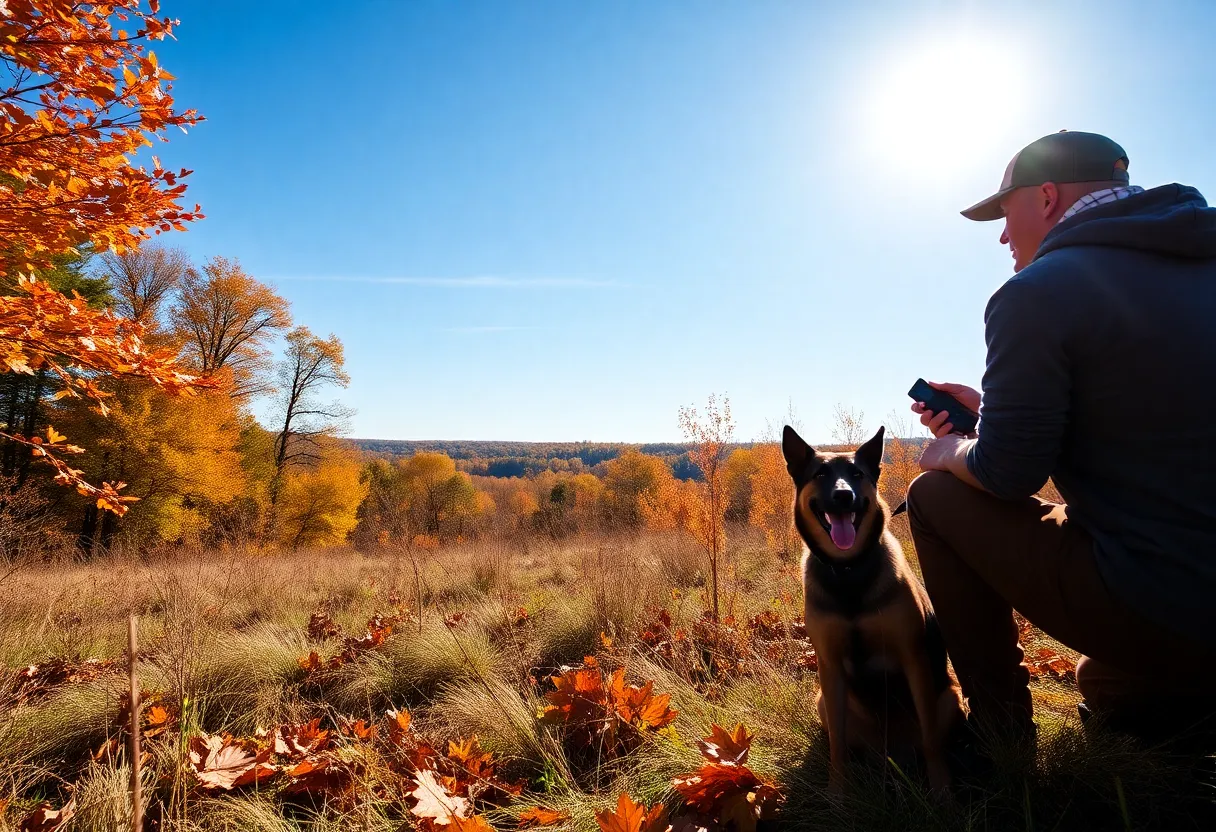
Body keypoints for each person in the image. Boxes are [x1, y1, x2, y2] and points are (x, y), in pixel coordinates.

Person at [906, 130, 1216, 742]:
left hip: (1177, 609)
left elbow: (1008, 474)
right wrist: (997, 413)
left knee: (933, 497)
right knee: (1107, 688)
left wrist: (949, 450)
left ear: (1046, 197)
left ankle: (999, 742)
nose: (1001, 235)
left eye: (1004, 212)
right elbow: (1153, 418)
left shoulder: (1036, 294)